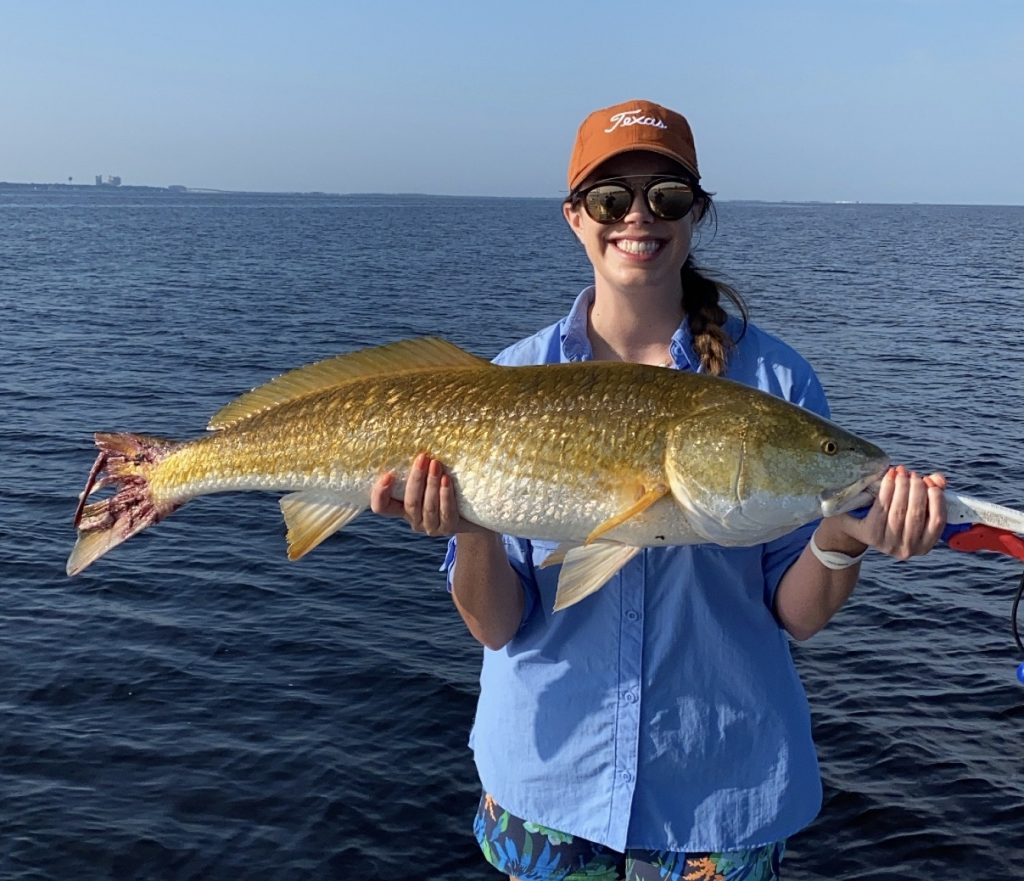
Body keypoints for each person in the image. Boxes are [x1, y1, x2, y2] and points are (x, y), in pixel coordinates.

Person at [370, 99, 948, 881]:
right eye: (611, 199)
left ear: (695, 214)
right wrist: (468, 523)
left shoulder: (775, 380)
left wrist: (844, 536)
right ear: (575, 217)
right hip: (549, 787)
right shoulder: (505, 380)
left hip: (722, 795)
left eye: (667, 197)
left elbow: (798, 617)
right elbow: (497, 624)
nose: (638, 217)